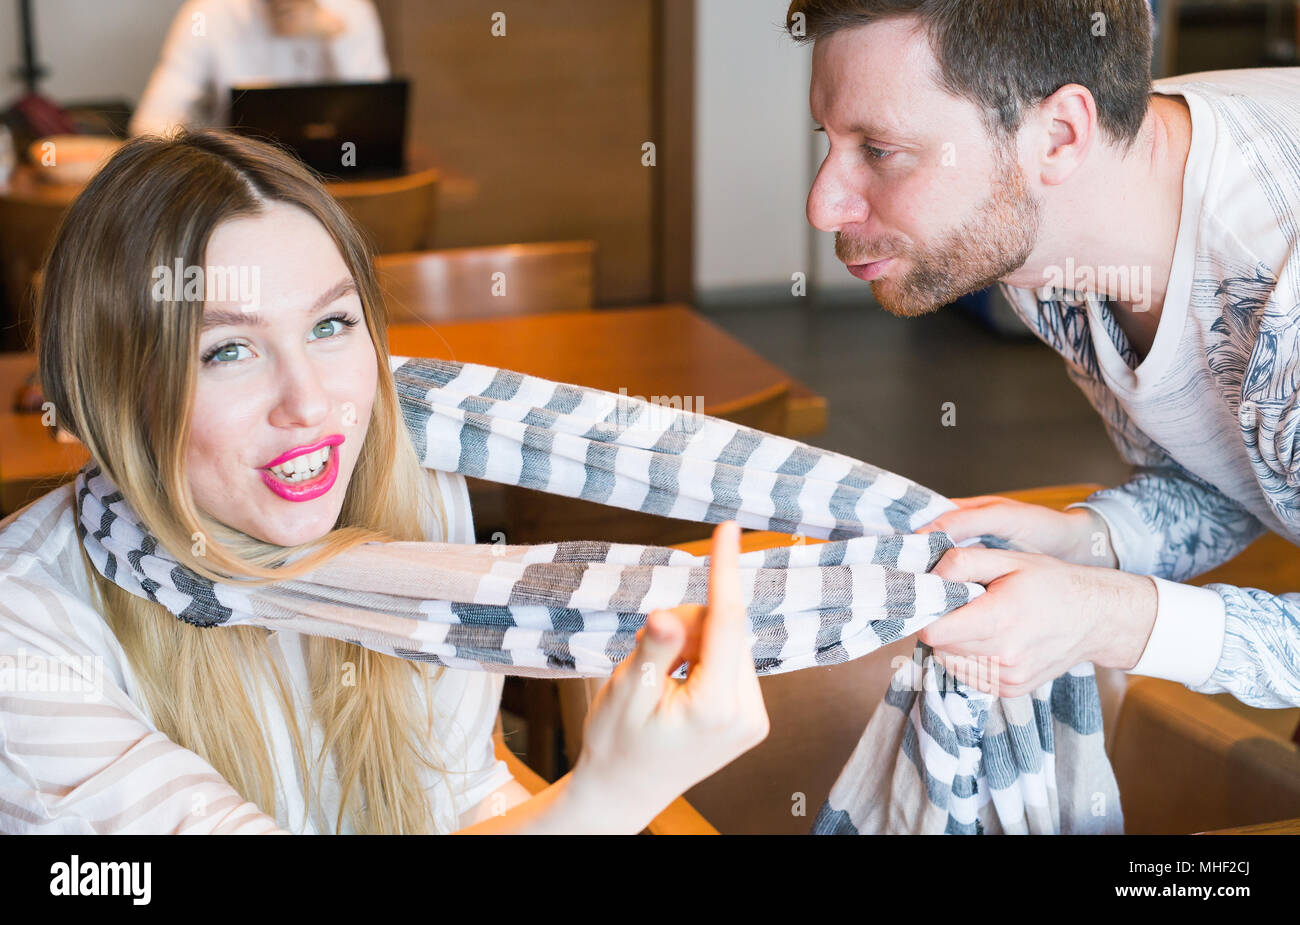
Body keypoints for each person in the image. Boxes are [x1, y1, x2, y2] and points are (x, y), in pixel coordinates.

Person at [0, 130, 768, 834]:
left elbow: (459, 796)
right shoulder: (24, 625)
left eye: (331, 325)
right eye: (228, 351)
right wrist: (606, 795)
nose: (312, 404)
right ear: (111, 390)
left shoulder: (413, 499)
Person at [787, 0, 1300, 709]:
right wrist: (1084, 538)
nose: (823, 205)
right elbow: (1237, 476)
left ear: (1059, 134)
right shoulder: (1045, 240)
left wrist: (1110, 617)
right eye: (831, 140)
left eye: (879, 150)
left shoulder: (1282, 281)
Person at [129, 0, 390, 137]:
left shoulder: (353, 12)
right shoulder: (205, 15)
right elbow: (152, 123)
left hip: (342, 185)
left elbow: (378, 122)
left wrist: (336, 37)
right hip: (239, 189)